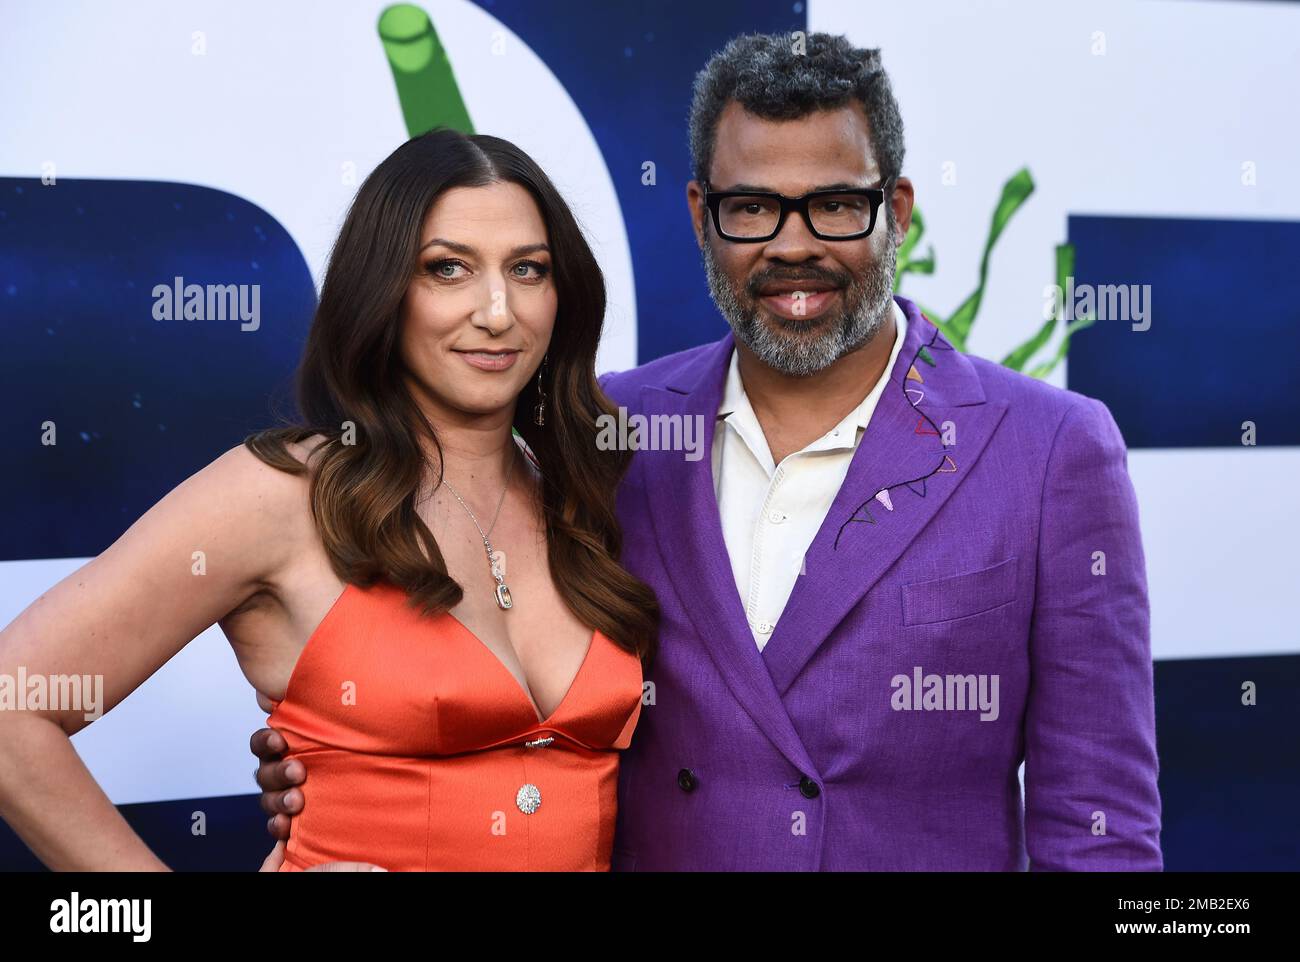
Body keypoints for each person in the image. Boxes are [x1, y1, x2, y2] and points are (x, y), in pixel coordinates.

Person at [254, 32, 1162, 871]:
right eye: (753, 208)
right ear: (700, 215)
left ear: (897, 211)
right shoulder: (607, 432)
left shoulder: (1050, 450)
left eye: (836, 207)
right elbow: (515, 701)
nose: (794, 247)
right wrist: (344, 759)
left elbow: (1102, 826)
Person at [0, 128, 658, 871]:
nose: (498, 311)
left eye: (528, 269)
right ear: (382, 290)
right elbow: (10, 706)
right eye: (448, 269)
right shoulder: (281, 495)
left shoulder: (585, 493)